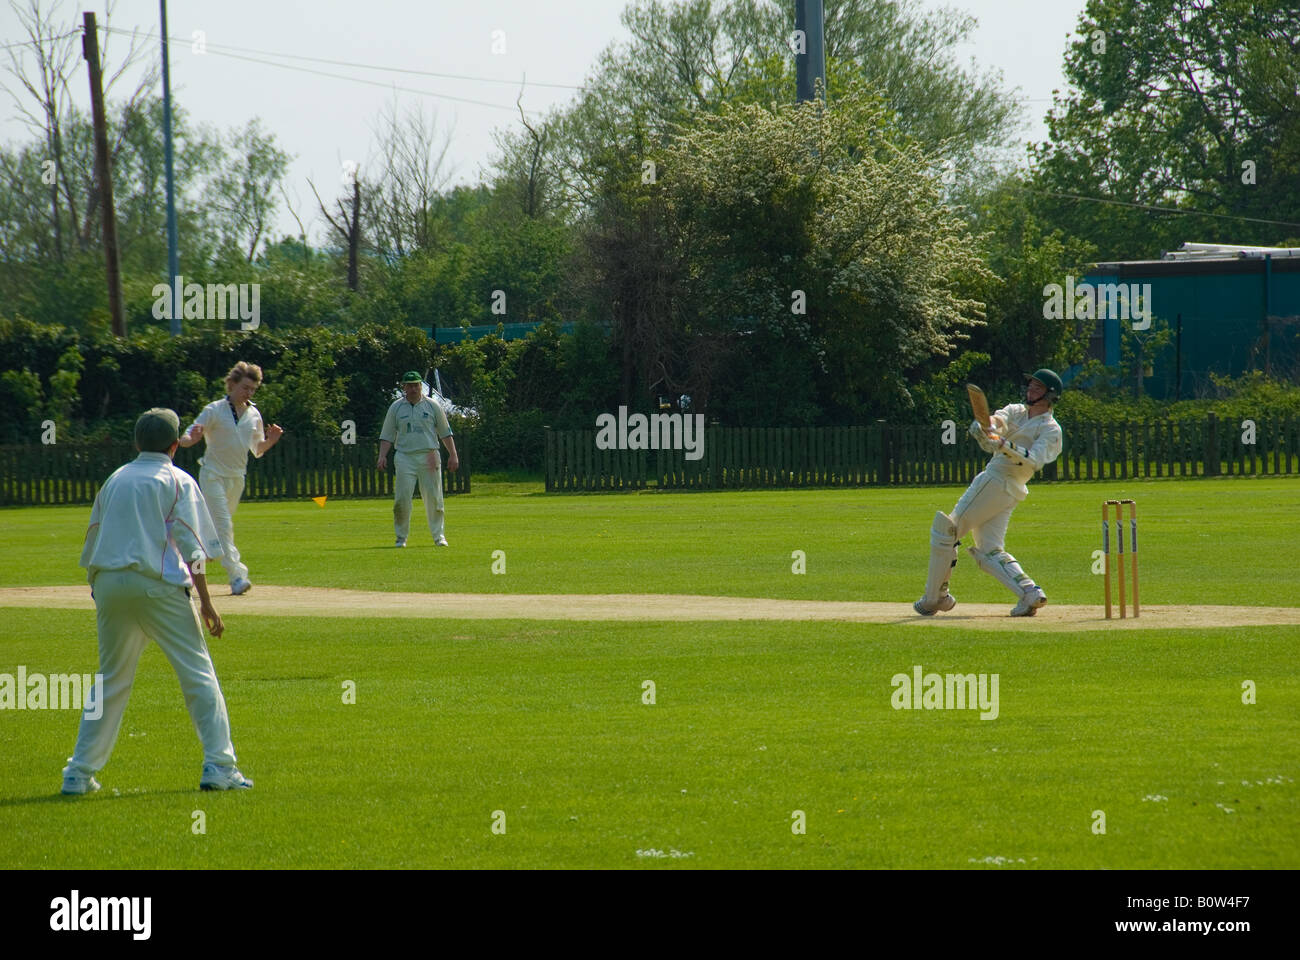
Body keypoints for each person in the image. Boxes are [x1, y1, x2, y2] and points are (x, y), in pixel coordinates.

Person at [61, 408, 252, 795]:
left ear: (136, 443)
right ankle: (219, 766)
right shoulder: (177, 479)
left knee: (110, 681)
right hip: (159, 585)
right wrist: (207, 602)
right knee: (198, 676)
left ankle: (78, 775)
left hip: (110, 584)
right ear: (174, 445)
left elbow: (93, 539)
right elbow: (193, 548)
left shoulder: (115, 479)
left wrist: (102, 588)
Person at [914, 369, 1065, 618]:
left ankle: (934, 598)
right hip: (1006, 490)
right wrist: (987, 427)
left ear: (1050, 395)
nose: (1031, 391)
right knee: (990, 549)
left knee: (946, 530)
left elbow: (1035, 460)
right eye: (1031, 386)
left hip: (997, 481)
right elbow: (998, 420)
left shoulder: (1051, 430)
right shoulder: (1017, 410)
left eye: (1037, 388)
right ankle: (1030, 593)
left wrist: (1004, 445)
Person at [178, 361, 283, 595]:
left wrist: (272, 440)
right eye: (245, 387)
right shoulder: (214, 410)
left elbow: (257, 449)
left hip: (237, 478)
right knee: (224, 526)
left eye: (253, 389)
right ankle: (237, 577)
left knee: (214, 529)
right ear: (232, 384)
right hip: (212, 475)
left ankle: (184, 567)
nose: (248, 393)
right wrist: (191, 439)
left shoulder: (254, 414)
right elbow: (186, 437)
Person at [377, 371, 460, 547]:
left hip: (429, 455)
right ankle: (401, 538)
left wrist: (453, 454)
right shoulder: (396, 407)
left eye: (416, 385)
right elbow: (387, 434)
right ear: (404, 387)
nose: (414, 389)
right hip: (405, 457)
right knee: (401, 499)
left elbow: (445, 432)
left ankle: (439, 537)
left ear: (421, 386)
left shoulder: (432, 405)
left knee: (434, 498)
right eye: (410, 385)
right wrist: (382, 456)